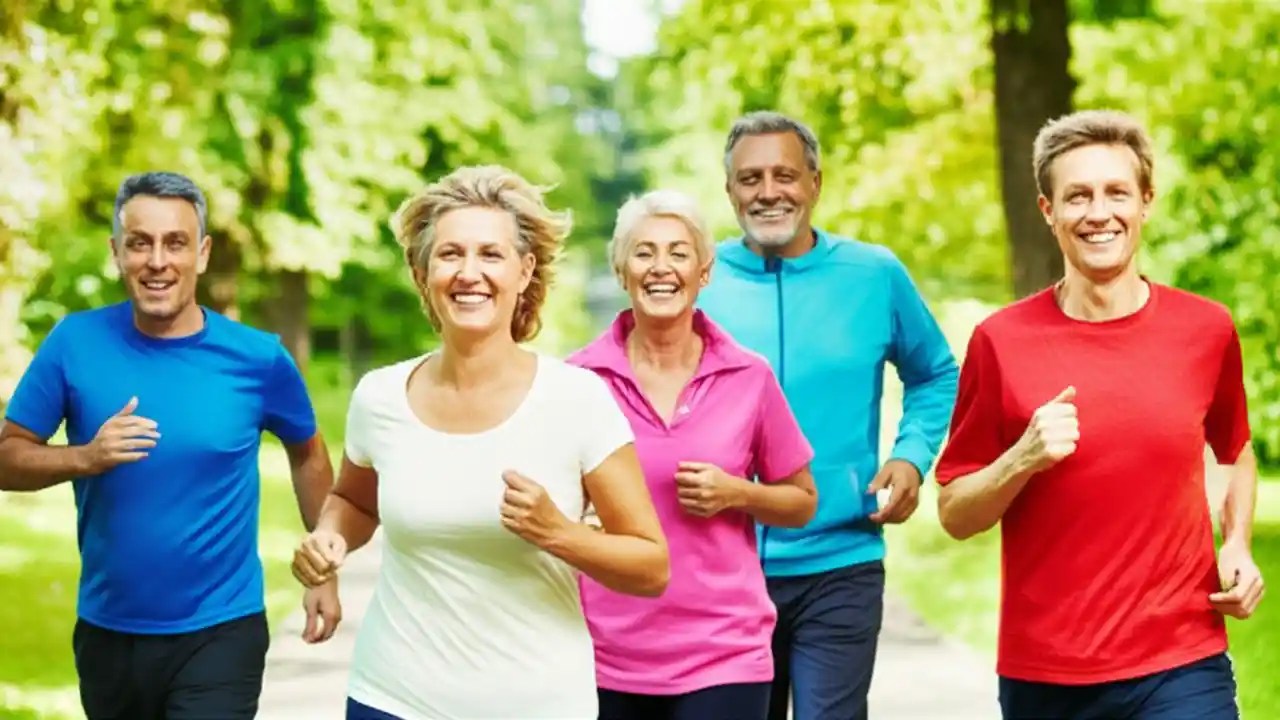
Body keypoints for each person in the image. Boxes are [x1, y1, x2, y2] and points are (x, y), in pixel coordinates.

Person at [289, 165, 670, 720]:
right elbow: (353, 502)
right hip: (393, 698)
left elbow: (651, 565)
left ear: (524, 271)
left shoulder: (576, 400)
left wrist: (557, 532)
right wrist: (328, 539)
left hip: (538, 705)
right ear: (423, 273)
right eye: (450, 255)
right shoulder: (382, 397)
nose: (470, 273)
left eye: (491, 254)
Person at [934, 109, 1264, 719]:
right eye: (1077, 196)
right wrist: (1023, 457)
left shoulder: (1205, 330)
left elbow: (1233, 449)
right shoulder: (1001, 342)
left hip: (1181, 661)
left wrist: (1238, 542)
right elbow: (955, 513)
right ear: (1047, 211)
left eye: (1117, 192)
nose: (1098, 212)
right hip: (1047, 674)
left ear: (1145, 202)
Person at [0, 171, 335, 720]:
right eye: (140, 243)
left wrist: (326, 569)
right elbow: (7, 457)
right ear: (117, 252)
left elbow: (307, 451)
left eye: (175, 242)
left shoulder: (259, 358)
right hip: (109, 633)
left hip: (221, 632)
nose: (158, 261)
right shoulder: (73, 343)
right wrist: (84, 457)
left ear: (201, 254)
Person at [695, 111, 960, 720]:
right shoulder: (699, 281)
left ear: (815, 183)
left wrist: (910, 457)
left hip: (840, 561)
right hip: (724, 568)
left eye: (784, 175)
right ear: (730, 190)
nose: (768, 192)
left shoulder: (873, 274)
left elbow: (936, 372)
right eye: (750, 178)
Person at [568, 189, 818, 720]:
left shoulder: (748, 376)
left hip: (724, 654)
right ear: (621, 271)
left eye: (678, 253)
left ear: (704, 273)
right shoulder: (578, 382)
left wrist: (737, 492)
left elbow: (801, 502)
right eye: (644, 252)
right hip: (605, 655)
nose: (661, 268)